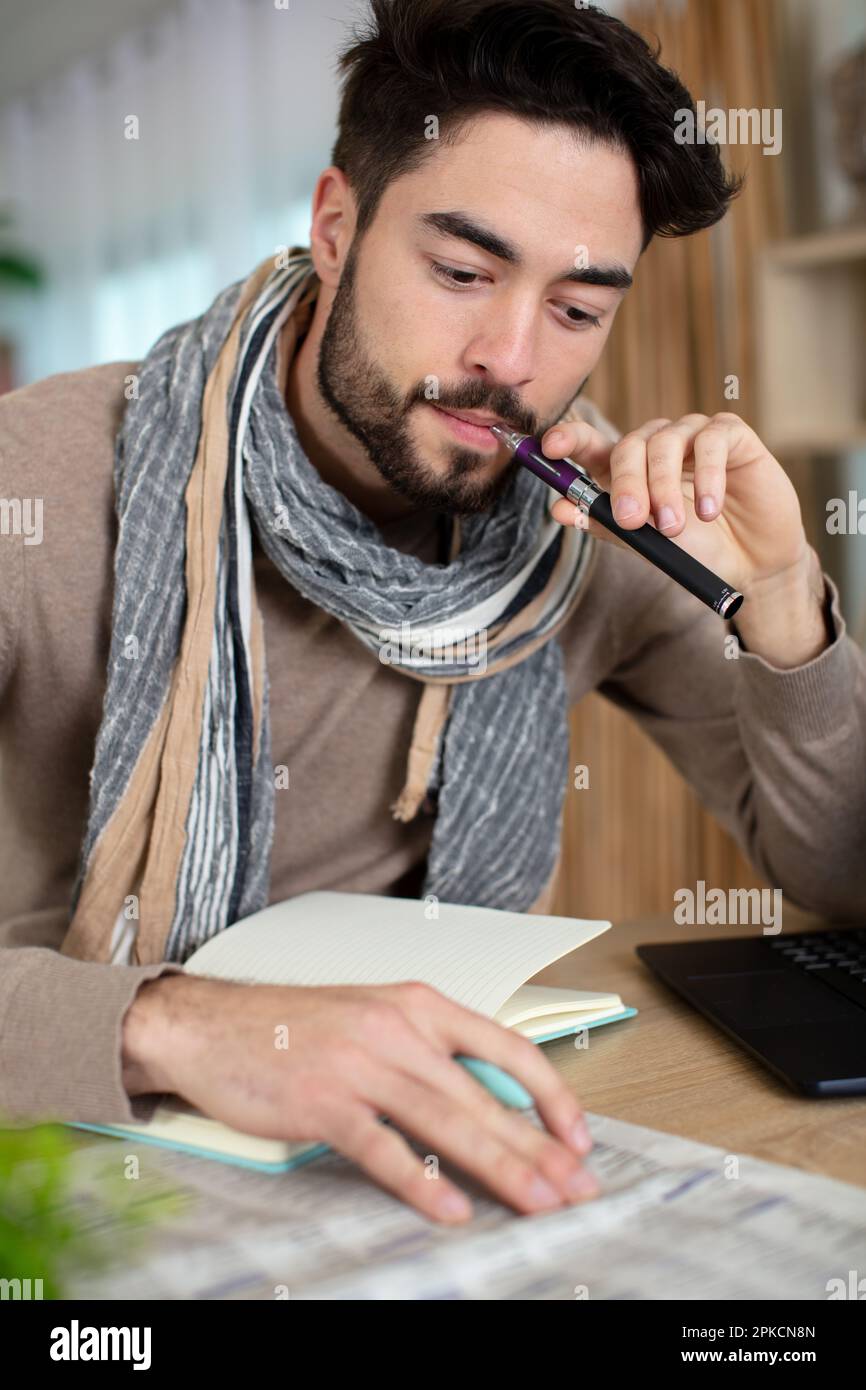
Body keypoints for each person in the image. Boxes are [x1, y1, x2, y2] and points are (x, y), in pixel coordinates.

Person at [1, 0, 864, 1227]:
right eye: (461, 271)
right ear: (336, 227)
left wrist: (779, 605)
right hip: (62, 1159)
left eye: (576, 310)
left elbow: (841, 880)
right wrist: (176, 1023)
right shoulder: (34, 484)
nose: (509, 357)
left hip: (420, 1167)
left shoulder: (592, 530)